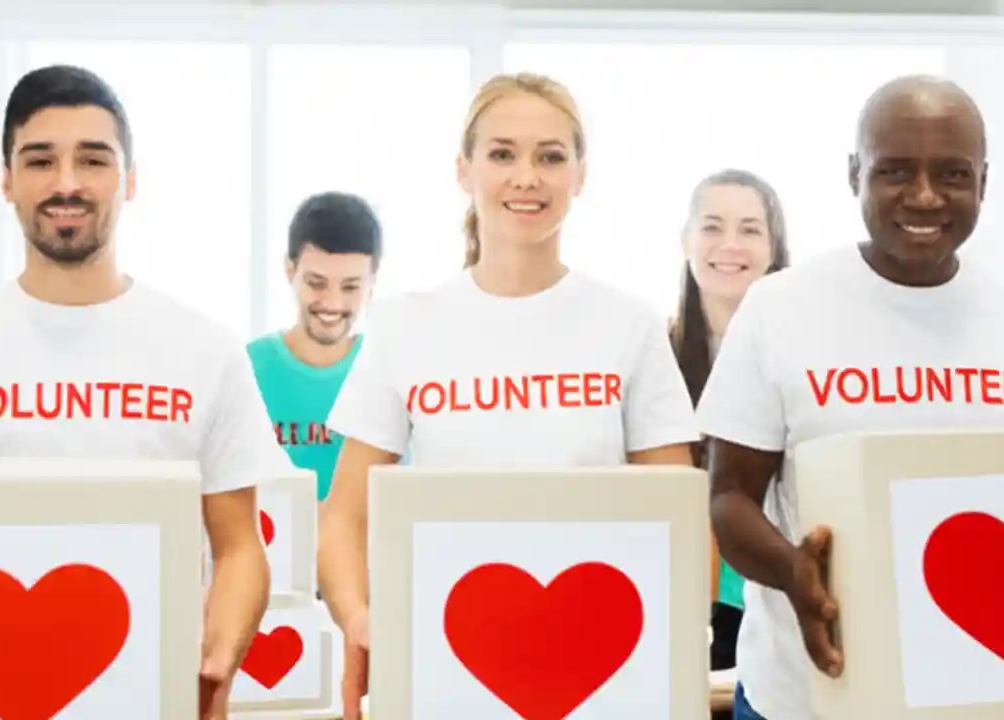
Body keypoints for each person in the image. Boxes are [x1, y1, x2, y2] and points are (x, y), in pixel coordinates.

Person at [316, 71, 700, 717]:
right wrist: (359, 618)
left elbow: (683, 520)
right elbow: (344, 517)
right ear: (464, 170)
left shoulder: (628, 323)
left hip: (605, 668)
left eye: (551, 157)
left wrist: (668, 645)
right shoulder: (407, 323)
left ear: (580, 175)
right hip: (445, 665)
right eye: (502, 154)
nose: (527, 177)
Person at [694, 74, 1004, 720]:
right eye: (894, 171)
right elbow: (728, 498)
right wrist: (791, 571)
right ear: (853, 175)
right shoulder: (781, 308)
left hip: (982, 692)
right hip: (804, 698)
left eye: (952, 174)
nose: (924, 197)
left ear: (984, 182)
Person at [0, 64, 290, 719]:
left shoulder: (204, 350)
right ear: (6, 179)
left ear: (131, 179)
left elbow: (238, 546)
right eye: (40, 160)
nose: (67, 183)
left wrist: (215, 661)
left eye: (93, 159)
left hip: (150, 698)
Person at [669, 168, 789, 674]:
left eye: (750, 229)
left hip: (772, 599)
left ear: (774, 248)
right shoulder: (655, 354)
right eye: (713, 227)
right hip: (680, 599)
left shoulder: (797, 356)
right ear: (686, 240)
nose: (730, 245)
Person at [248, 191, 382, 502]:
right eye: (316, 283)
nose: (332, 303)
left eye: (350, 287)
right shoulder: (245, 371)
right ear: (289, 271)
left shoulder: (389, 372)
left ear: (372, 282)